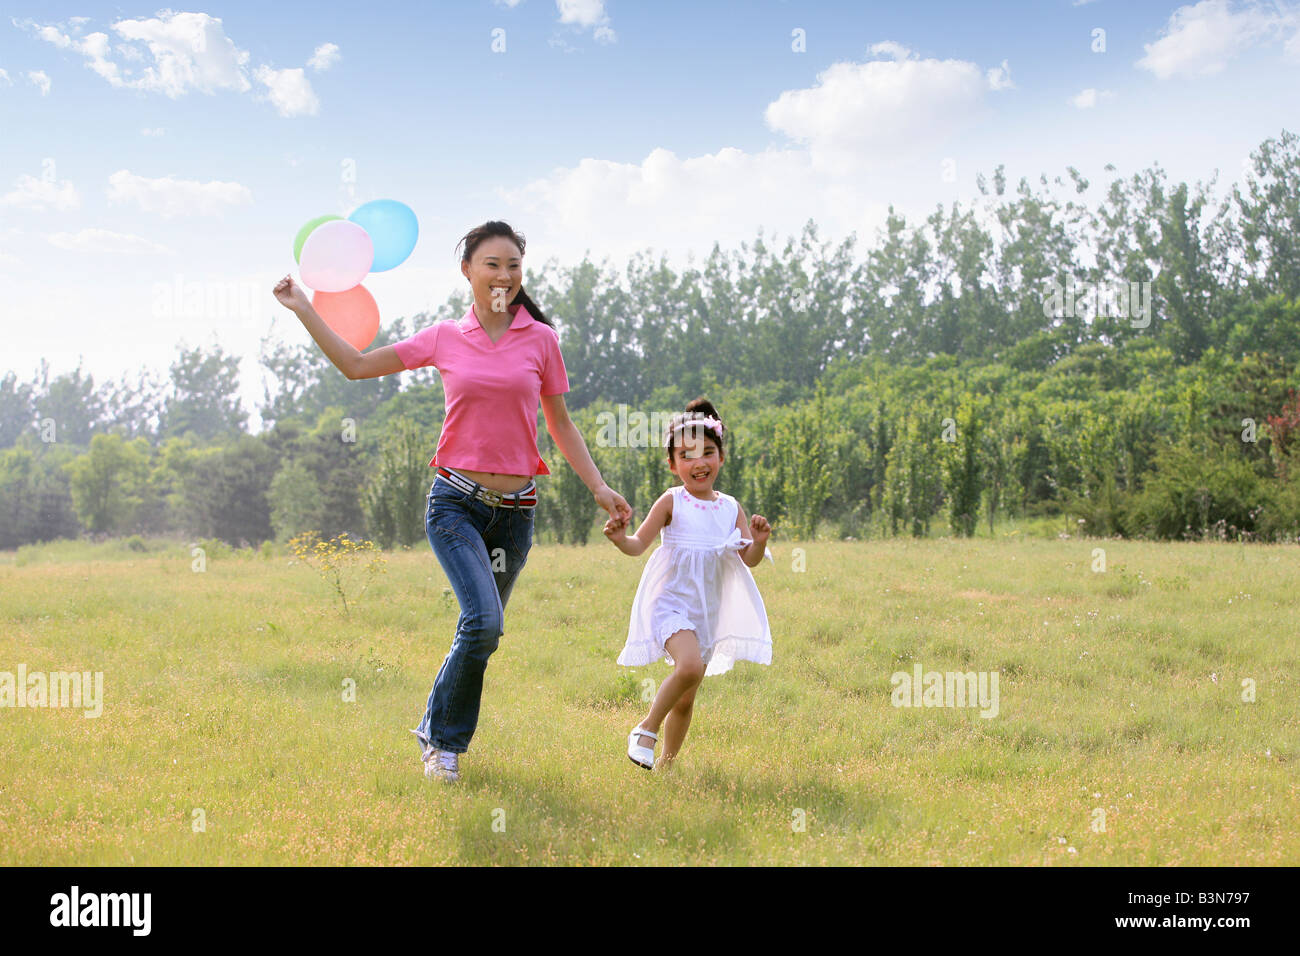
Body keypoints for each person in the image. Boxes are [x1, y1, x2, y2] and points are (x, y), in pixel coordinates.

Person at [272, 220, 631, 783]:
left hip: (516, 515)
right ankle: (442, 744)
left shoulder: (541, 339)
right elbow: (357, 365)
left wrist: (599, 487)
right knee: (483, 623)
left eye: (514, 265)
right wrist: (302, 309)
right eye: (492, 264)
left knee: (480, 635)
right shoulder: (444, 337)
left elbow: (560, 424)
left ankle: (434, 728)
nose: (504, 275)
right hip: (456, 505)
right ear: (467, 270)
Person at [602, 397, 773, 770]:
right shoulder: (671, 502)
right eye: (687, 455)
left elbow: (748, 560)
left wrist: (758, 542)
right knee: (691, 667)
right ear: (673, 463)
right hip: (670, 604)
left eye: (708, 452)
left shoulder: (731, 508)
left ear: (721, 457)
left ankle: (667, 763)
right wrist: (620, 538)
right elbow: (637, 546)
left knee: (686, 696)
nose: (699, 463)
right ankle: (645, 730)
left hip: (707, 611)